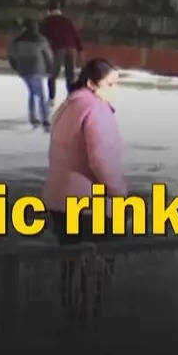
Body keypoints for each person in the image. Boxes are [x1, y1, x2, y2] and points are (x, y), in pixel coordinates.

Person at [42, 58, 127, 243]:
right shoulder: (96, 109)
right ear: (91, 84)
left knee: (70, 262)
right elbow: (101, 159)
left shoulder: (68, 105)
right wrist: (119, 193)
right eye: (110, 84)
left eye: (117, 84)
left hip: (59, 199)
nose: (115, 90)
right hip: (89, 203)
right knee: (95, 264)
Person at [9, 19, 56, 127]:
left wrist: (17, 67)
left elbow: (12, 56)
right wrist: (50, 68)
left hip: (23, 70)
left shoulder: (17, 40)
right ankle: (45, 118)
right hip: (37, 69)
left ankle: (32, 116)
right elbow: (48, 55)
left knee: (32, 93)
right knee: (41, 95)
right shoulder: (40, 39)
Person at [40, 0, 84, 101]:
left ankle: (51, 98)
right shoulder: (67, 20)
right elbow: (75, 34)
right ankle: (71, 96)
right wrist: (80, 48)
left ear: (49, 10)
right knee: (70, 75)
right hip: (71, 48)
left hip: (59, 48)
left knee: (53, 74)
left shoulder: (47, 21)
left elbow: (43, 36)